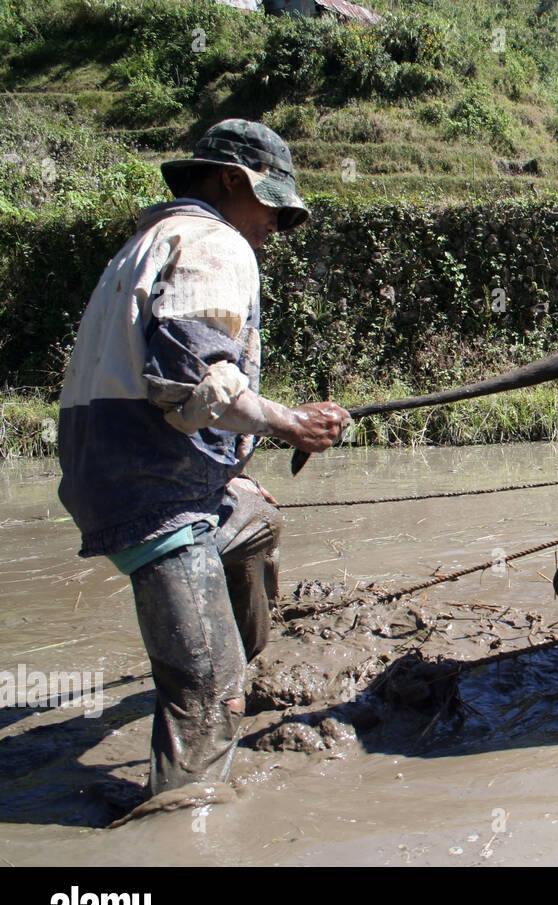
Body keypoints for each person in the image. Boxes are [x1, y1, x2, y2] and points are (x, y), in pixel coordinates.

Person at [57, 119, 351, 797]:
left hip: (126, 473)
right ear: (231, 181)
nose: (274, 228)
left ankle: (243, 658)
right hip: (157, 498)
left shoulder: (146, 244)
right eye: (272, 208)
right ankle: (184, 816)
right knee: (206, 692)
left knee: (256, 521)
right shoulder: (214, 241)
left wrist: (237, 467)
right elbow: (196, 379)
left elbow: (164, 382)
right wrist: (291, 424)